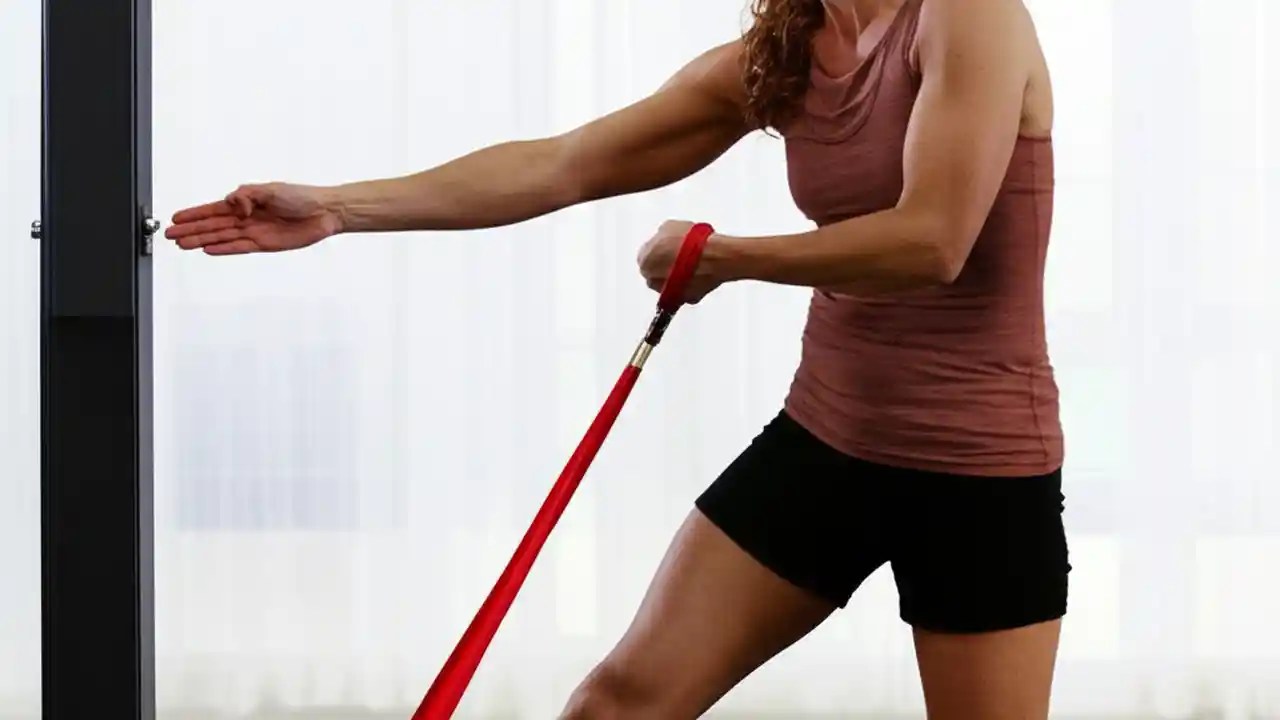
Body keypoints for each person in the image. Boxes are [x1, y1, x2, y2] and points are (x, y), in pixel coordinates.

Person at [167, 0, 1067, 716]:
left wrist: (725, 257)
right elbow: (564, 164)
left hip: (978, 468)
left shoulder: (967, 14)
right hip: (826, 441)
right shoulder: (786, 51)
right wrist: (337, 207)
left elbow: (932, 242)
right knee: (616, 706)